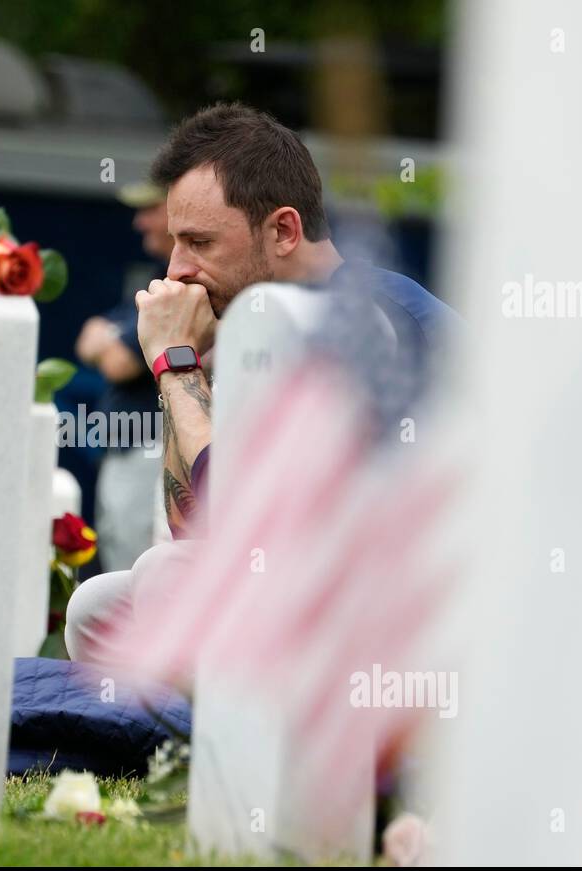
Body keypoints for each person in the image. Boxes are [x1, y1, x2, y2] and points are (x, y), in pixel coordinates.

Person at [64, 102, 458, 667]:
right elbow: (195, 529)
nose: (175, 270)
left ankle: (222, 744)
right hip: (324, 595)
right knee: (101, 606)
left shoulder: (373, 321)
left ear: (283, 230)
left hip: (422, 624)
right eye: (176, 242)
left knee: (162, 580)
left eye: (200, 243)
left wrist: (174, 368)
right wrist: (188, 372)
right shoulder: (264, 323)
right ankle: (188, 748)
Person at [74, 183, 173, 572]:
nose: (139, 221)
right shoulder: (155, 276)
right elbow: (86, 339)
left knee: (136, 576)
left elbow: (119, 362)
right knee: (118, 570)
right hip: (126, 449)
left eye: (150, 209)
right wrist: (106, 342)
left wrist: (107, 341)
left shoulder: (183, 283)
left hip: (151, 448)